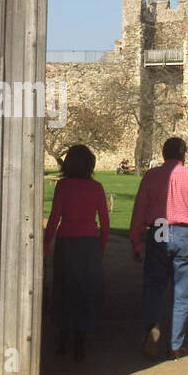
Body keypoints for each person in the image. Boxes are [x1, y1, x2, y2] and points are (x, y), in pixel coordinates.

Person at [130, 137, 188, 360]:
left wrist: (136, 240)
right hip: (183, 229)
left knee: (154, 285)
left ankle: (153, 324)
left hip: (159, 228)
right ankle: (176, 344)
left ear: (163, 153)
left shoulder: (151, 176)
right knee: (182, 291)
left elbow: (139, 209)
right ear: (183, 154)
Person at [43, 143, 109, 362]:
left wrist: (45, 244)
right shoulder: (97, 188)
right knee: (85, 291)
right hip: (89, 242)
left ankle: (62, 338)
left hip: (67, 241)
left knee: (64, 288)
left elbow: (54, 219)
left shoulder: (63, 187)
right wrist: (100, 248)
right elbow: (105, 223)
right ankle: (80, 341)